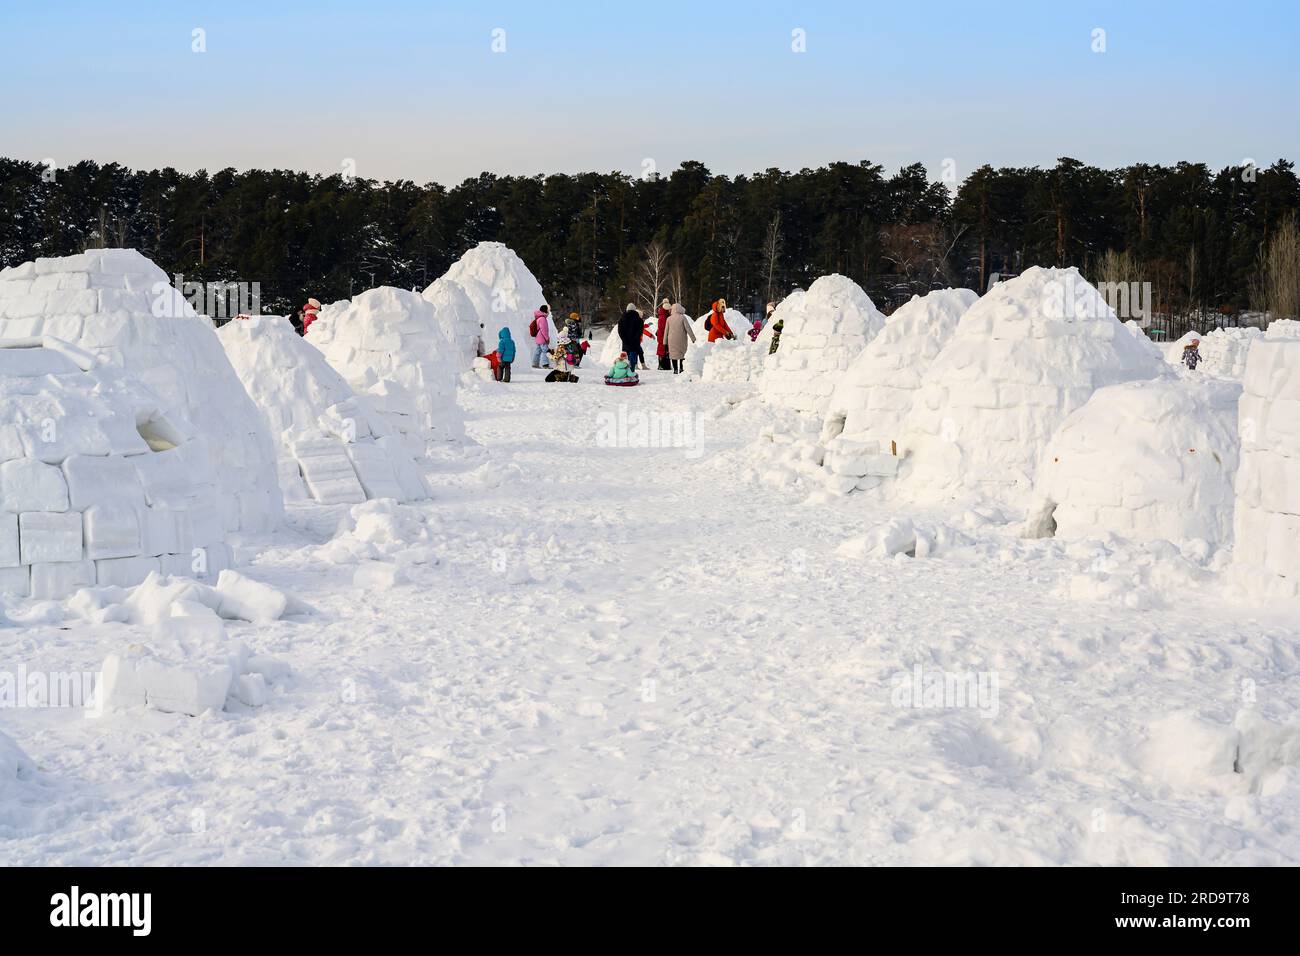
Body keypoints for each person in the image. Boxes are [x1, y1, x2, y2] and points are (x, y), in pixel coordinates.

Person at [664, 302, 695, 374]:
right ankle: (681, 368)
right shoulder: (683, 317)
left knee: (673, 354)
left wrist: (664, 342)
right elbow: (688, 329)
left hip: (671, 340)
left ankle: (675, 369)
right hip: (682, 339)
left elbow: (666, 331)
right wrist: (693, 338)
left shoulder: (668, 319)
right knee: (682, 353)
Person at [617, 303, 645, 373]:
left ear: (627, 309)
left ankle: (624, 373)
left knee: (625, 360)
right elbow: (640, 331)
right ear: (635, 310)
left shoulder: (621, 319)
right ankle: (631, 373)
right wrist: (635, 339)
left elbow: (620, 331)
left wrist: (624, 339)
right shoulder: (639, 320)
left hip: (625, 344)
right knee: (632, 359)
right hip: (634, 343)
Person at [655, 298, 672, 370]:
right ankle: (665, 365)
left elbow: (660, 326)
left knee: (661, 348)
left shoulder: (660, 314)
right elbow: (665, 327)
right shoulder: (667, 315)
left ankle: (661, 365)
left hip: (660, 334)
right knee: (666, 349)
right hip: (665, 334)